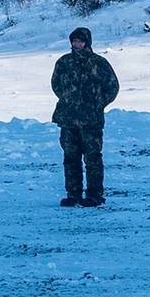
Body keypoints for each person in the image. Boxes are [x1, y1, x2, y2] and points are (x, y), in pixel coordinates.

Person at [50, 26, 120, 207]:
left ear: (87, 42)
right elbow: (56, 84)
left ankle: (95, 195)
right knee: (70, 158)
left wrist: (98, 103)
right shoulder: (63, 62)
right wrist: (68, 99)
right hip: (68, 118)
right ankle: (73, 194)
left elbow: (112, 87)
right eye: (74, 41)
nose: (77, 44)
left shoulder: (99, 63)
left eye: (80, 41)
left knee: (93, 158)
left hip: (91, 120)